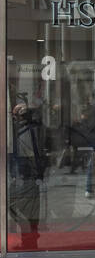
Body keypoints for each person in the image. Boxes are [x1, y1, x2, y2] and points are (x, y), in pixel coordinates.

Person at [9, 102, 46, 249]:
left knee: (13, 204)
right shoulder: (30, 130)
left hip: (27, 176)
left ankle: (29, 238)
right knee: (31, 209)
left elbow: (31, 155)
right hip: (29, 175)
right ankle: (30, 240)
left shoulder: (27, 132)